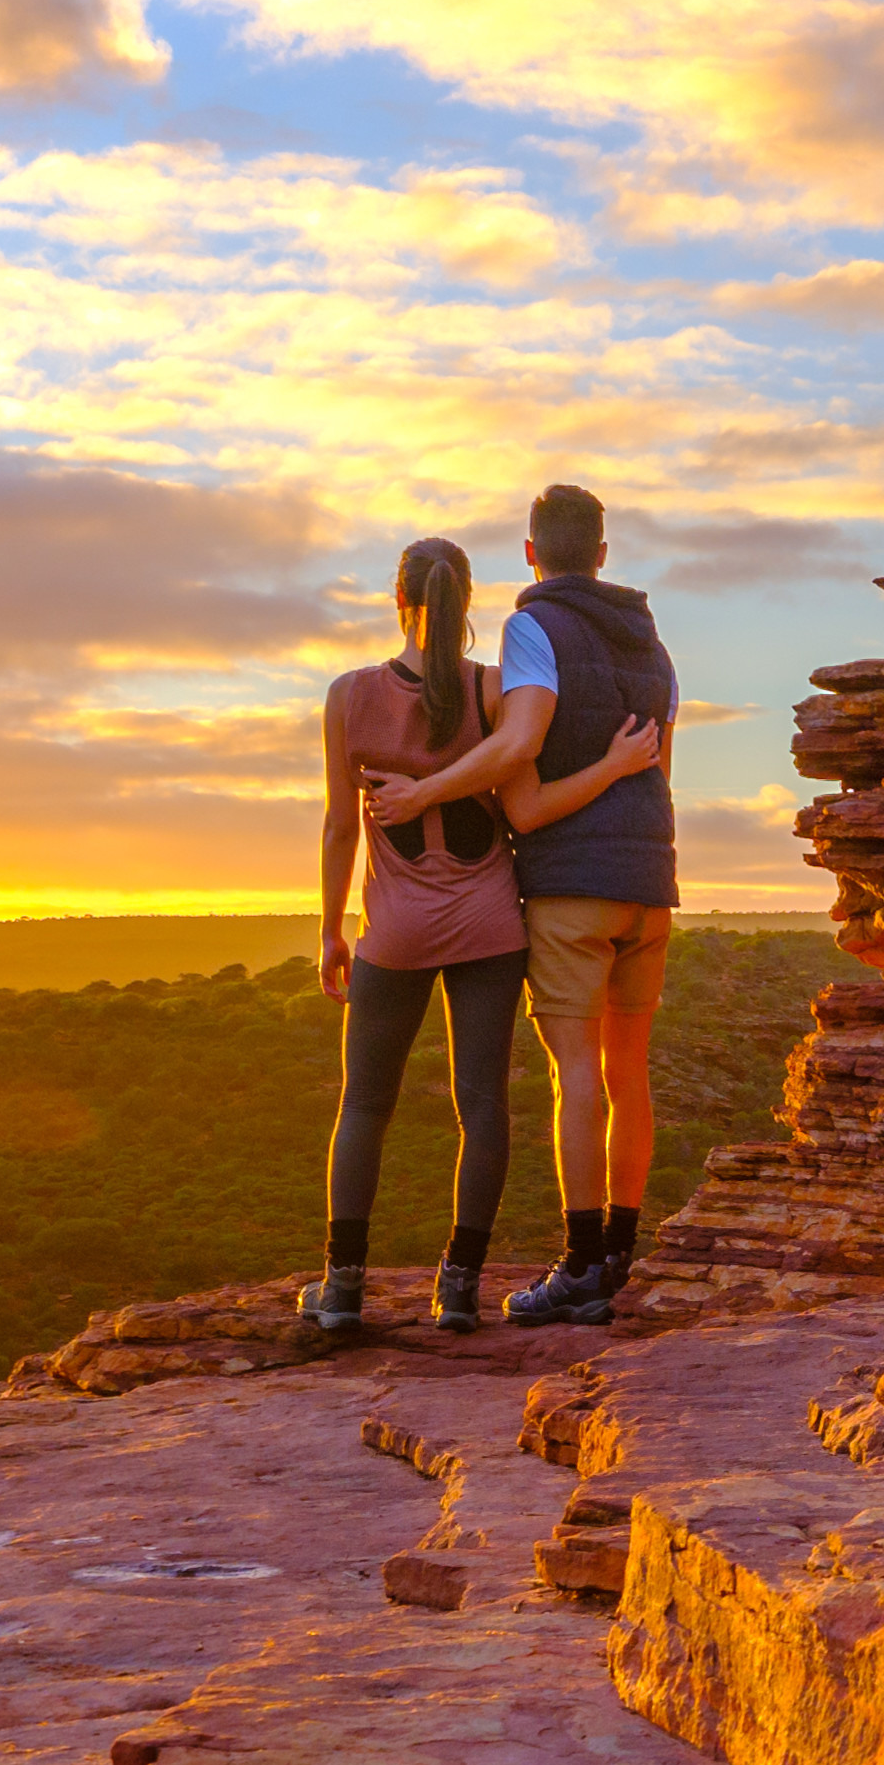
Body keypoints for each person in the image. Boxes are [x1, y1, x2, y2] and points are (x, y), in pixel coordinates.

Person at [373, 478, 679, 1323]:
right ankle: (619, 1247)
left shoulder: (533, 626)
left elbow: (524, 756)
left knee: (575, 1072)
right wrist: (629, 796)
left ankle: (582, 1265)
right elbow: (661, 773)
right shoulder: (653, 649)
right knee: (630, 1070)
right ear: (604, 555)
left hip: (572, 888)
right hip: (650, 887)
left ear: (533, 553)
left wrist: (428, 791)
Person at [308, 536, 529, 1336]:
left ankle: (341, 1289)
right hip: (490, 925)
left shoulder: (349, 697)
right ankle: (460, 1289)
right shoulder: (494, 693)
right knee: (483, 1105)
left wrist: (332, 930)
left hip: (393, 932)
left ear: (397, 600)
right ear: (467, 606)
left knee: (365, 1103)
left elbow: (341, 827)